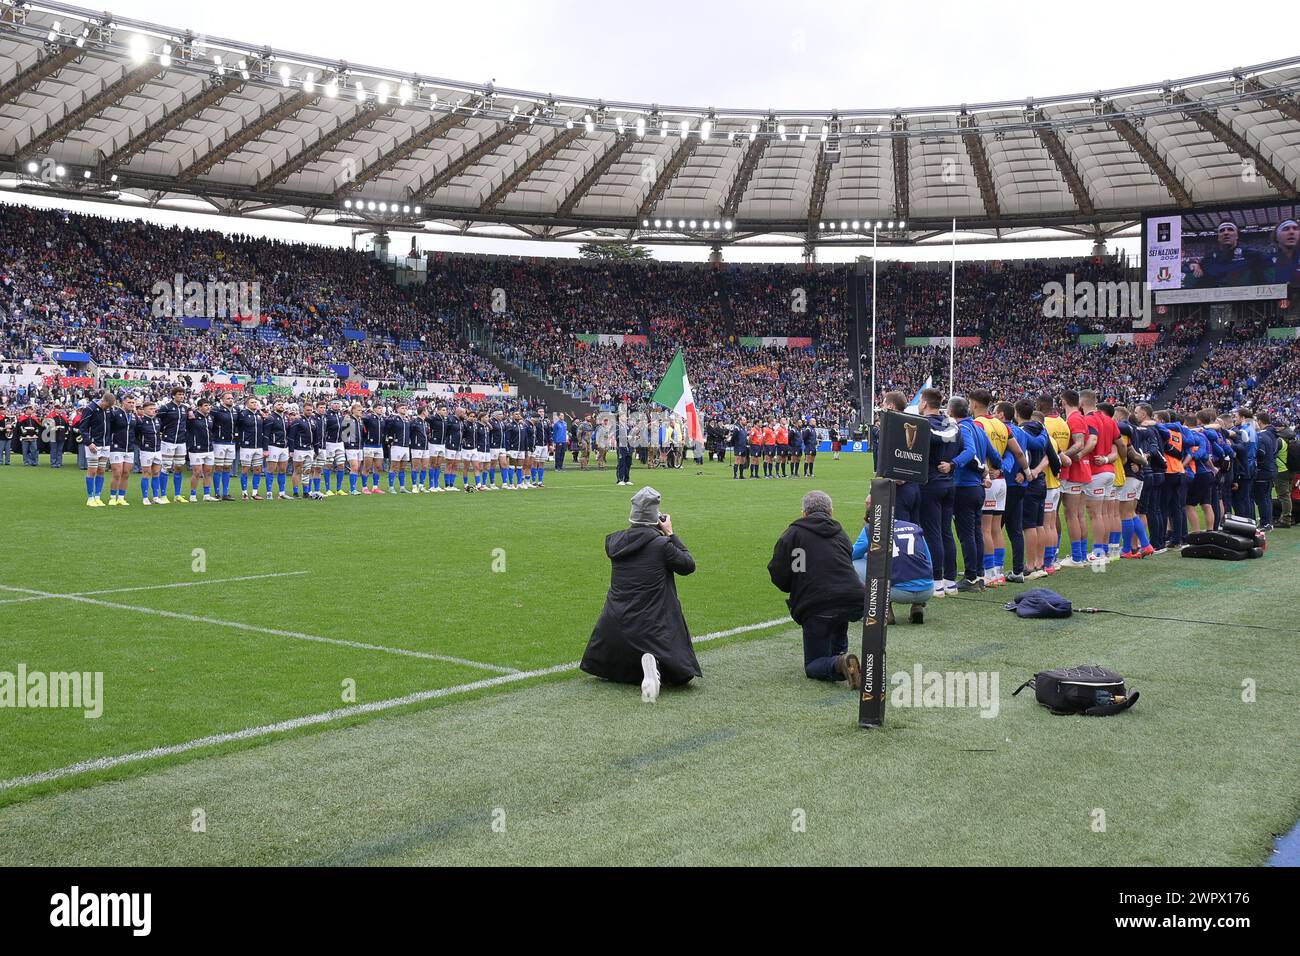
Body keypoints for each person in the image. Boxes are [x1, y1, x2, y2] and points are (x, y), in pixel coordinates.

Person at [580, 487, 700, 703]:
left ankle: (640, 668)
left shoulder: (616, 542)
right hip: (651, 630)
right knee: (682, 676)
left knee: (621, 663)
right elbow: (688, 565)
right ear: (657, 518)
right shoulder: (662, 545)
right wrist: (670, 533)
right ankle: (654, 667)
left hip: (613, 631)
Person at [767, 490, 865, 688]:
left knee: (813, 665)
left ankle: (840, 663)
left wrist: (796, 584)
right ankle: (842, 661)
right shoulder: (840, 532)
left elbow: (783, 574)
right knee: (838, 629)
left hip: (818, 603)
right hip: (852, 598)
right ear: (830, 512)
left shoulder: (794, 534)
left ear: (804, 513)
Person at [851, 494, 934, 625]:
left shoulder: (871, 529)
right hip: (927, 589)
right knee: (912, 563)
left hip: (898, 592)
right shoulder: (914, 527)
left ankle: (884, 611)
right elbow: (928, 560)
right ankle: (917, 606)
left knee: (856, 564)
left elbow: (852, 554)